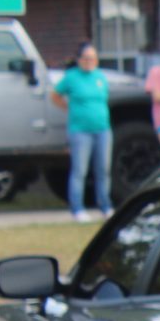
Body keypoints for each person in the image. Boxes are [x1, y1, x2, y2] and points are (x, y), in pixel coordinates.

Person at [49, 42, 112, 219]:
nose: (89, 61)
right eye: (86, 58)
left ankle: (105, 205)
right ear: (79, 59)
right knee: (80, 170)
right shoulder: (71, 77)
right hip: (80, 131)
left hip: (102, 129)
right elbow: (55, 95)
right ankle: (77, 208)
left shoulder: (100, 77)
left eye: (92, 58)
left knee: (103, 169)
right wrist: (69, 109)